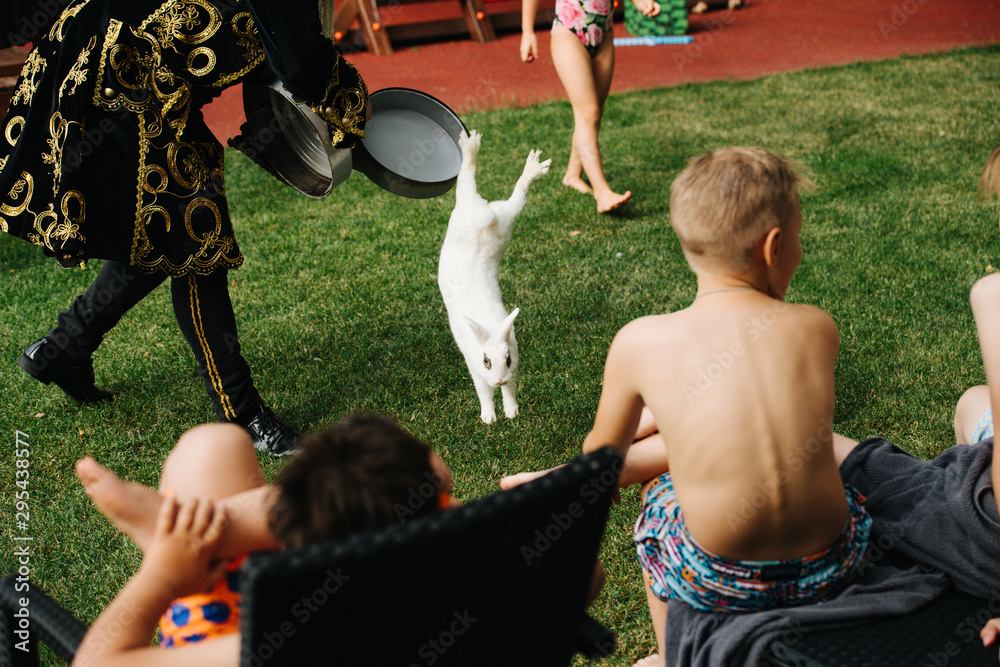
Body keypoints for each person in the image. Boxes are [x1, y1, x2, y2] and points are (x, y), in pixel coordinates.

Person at [505, 147, 871, 666]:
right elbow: (745, 411)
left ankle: (671, 654)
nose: (801, 251)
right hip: (834, 561)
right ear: (773, 247)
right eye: (800, 238)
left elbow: (601, 459)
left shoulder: (640, 342)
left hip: (718, 576)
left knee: (658, 495)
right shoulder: (817, 327)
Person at [1, 0, 369, 455]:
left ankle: (63, 349)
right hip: (130, 70)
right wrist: (354, 110)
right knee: (198, 239)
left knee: (164, 233)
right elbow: (300, 67)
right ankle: (242, 414)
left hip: (100, 47)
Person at [71, 413, 453, 666]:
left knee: (206, 452)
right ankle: (199, 528)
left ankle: (182, 531)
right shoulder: (478, 568)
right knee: (216, 446)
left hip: (232, 631)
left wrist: (162, 576)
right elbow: (428, 481)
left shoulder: (301, 647)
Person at [520, 0, 659, 213]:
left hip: (604, 32)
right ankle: (602, 192)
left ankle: (573, 175)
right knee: (588, 112)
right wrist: (527, 31)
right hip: (569, 33)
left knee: (594, 112)